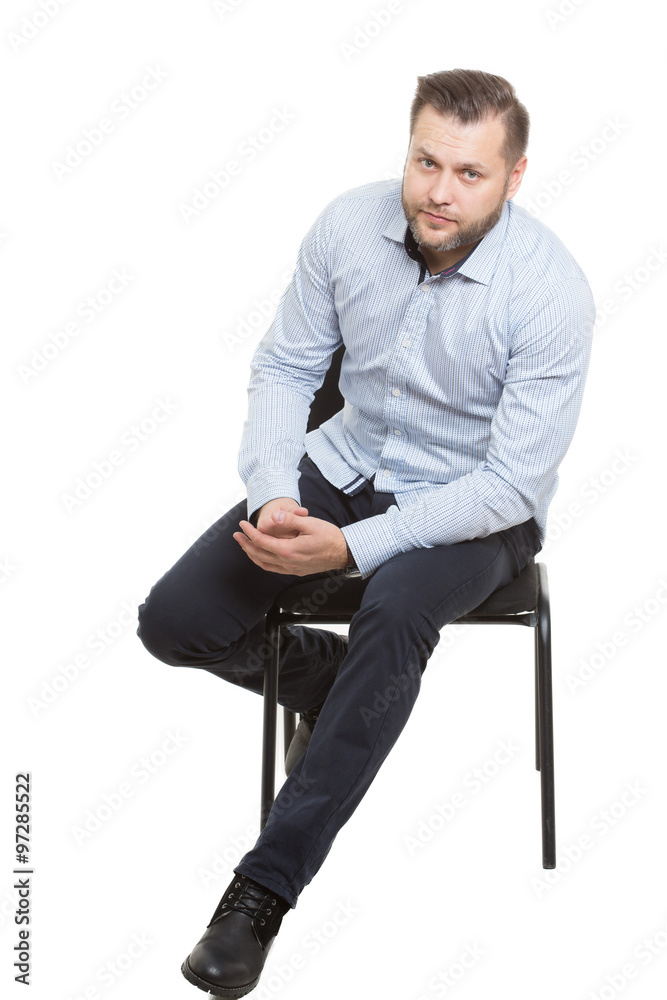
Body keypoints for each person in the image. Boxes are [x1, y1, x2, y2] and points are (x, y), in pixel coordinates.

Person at [137, 68, 595, 998]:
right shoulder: (348, 227)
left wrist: (352, 548)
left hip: (475, 510)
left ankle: (260, 895)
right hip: (344, 466)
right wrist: (275, 494)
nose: (438, 190)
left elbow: (509, 481)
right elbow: (285, 368)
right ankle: (336, 686)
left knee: (394, 614)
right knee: (175, 622)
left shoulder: (550, 292)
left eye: (469, 172)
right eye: (426, 161)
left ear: (513, 177)